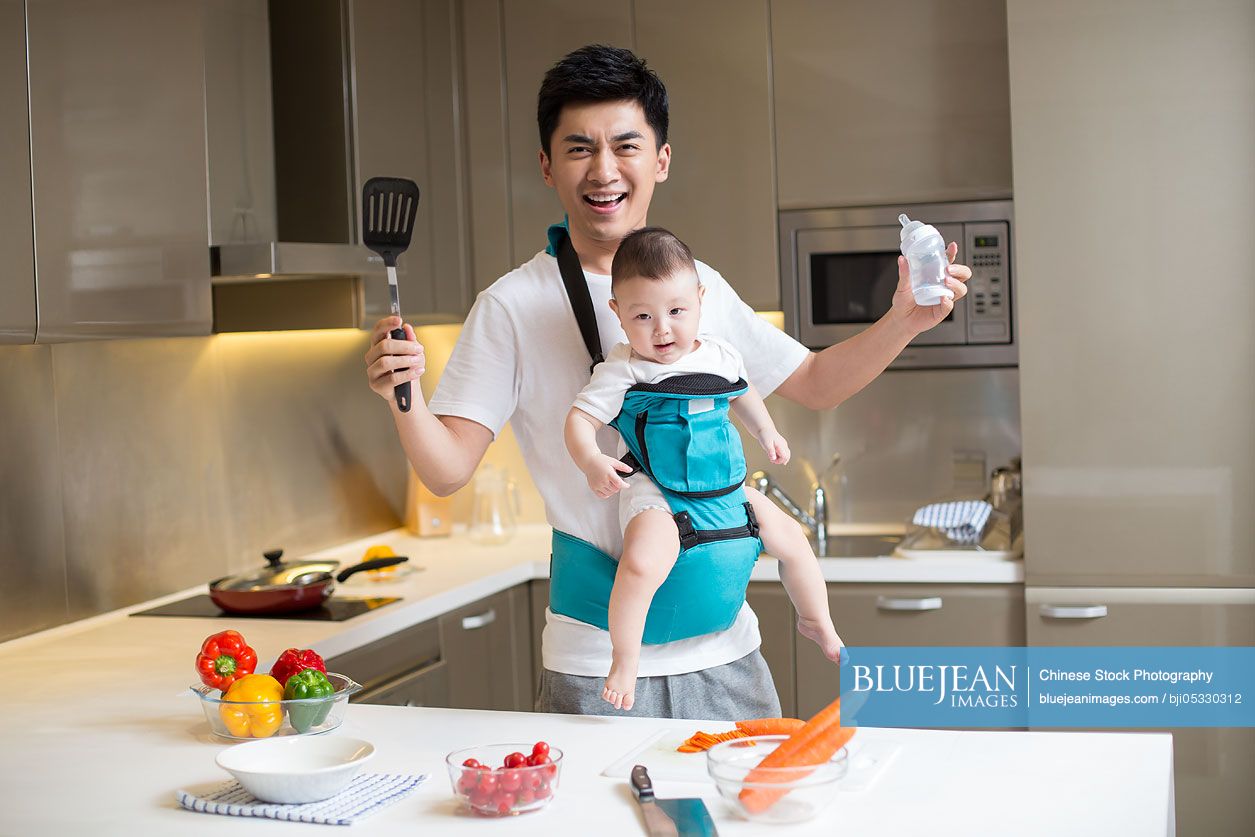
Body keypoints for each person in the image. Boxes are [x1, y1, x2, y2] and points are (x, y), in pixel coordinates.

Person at [364, 45, 970, 719]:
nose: (603, 170)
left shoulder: (697, 287)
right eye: (577, 149)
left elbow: (815, 381)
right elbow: (446, 470)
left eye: (625, 145)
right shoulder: (510, 306)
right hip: (596, 667)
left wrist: (905, 320)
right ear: (545, 166)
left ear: (660, 160)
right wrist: (405, 392)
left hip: (729, 655)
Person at [565, 227, 843, 711]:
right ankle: (626, 659)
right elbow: (578, 420)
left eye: (676, 311)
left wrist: (767, 432)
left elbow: (742, 391)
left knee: (792, 541)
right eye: (642, 316)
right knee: (640, 565)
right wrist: (592, 461)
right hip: (657, 492)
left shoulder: (718, 353)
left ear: (699, 300)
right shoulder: (625, 369)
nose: (662, 330)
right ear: (618, 314)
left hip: (725, 490)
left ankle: (817, 619)